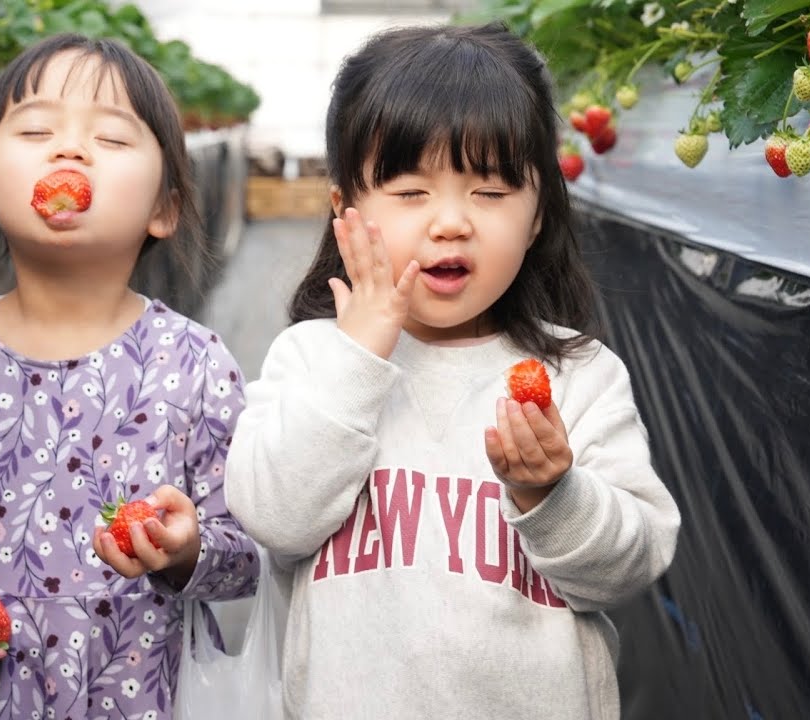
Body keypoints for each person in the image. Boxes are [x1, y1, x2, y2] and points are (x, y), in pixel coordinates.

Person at [224, 22, 681, 720]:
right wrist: (360, 356)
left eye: (490, 193)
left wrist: (553, 493)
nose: (450, 222)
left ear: (536, 216)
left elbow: (630, 565)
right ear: (345, 209)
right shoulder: (314, 358)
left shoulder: (576, 374)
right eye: (410, 192)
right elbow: (275, 519)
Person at [0, 33, 259, 720]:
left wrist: (188, 550)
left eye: (110, 138)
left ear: (164, 208)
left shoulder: (194, 364)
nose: (68, 151)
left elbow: (248, 548)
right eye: (37, 129)